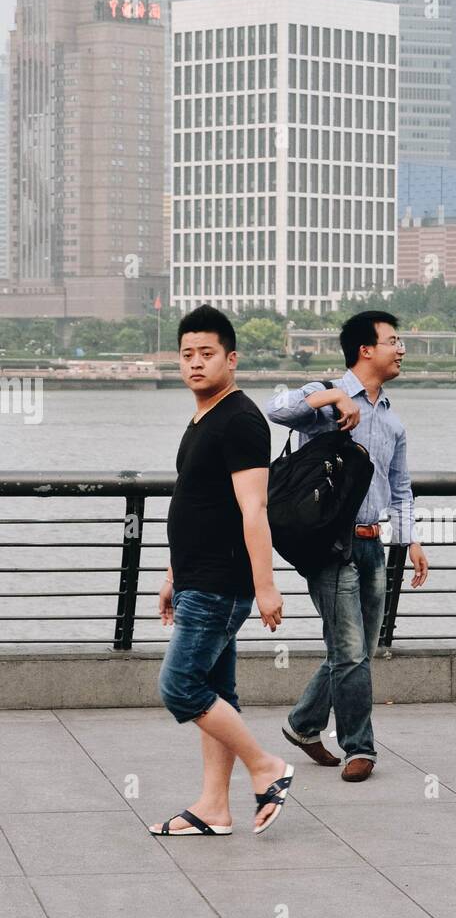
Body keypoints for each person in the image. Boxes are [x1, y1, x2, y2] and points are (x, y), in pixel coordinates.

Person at [267, 310, 429, 782]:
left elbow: (400, 488)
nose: (401, 349)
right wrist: (334, 395)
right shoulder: (325, 402)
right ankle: (360, 748)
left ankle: (303, 723)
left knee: (355, 649)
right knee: (351, 651)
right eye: (393, 340)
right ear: (366, 349)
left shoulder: (392, 421)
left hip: (371, 543)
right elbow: (275, 408)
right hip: (327, 546)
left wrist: (410, 539)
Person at [151, 305, 292, 839]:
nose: (195, 363)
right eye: (187, 354)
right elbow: (197, 504)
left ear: (231, 359)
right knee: (217, 693)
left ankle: (266, 767)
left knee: (181, 687)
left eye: (207, 354)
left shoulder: (241, 420)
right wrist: (172, 574)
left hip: (220, 582)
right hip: (195, 578)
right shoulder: (203, 416)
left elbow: (253, 509)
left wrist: (266, 585)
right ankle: (214, 807)